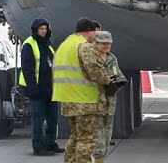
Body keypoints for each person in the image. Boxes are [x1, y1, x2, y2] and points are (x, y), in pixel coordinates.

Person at [53, 18, 111, 163]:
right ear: (89, 32)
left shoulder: (65, 45)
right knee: (86, 140)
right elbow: (94, 72)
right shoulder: (85, 47)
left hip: (68, 100)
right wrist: (109, 80)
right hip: (84, 101)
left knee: (75, 137)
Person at [20, 18, 60, 155]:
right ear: (35, 30)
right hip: (37, 90)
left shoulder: (47, 45)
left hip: (50, 89)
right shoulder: (29, 45)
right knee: (38, 121)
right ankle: (38, 146)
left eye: (45, 29)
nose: (43, 31)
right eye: (41, 29)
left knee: (52, 119)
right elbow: (27, 69)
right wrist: (32, 89)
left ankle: (50, 143)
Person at [92, 31, 127, 163]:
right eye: (103, 43)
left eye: (108, 43)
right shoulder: (91, 58)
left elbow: (117, 75)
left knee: (107, 136)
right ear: (96, 44)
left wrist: (115, 83)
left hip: (109, 102)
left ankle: (100, 158)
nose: (106, 46)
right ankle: (98, 159)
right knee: (98, 138)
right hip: (95, 102)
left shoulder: (111, 58)